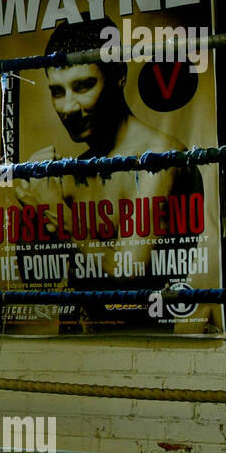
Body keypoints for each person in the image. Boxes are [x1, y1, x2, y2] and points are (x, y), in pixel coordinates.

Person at [12, 17, 203, 284]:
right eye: (57, 91)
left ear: (119, 77)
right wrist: (32, 208)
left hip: (142, 325)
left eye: (83, 85)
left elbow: (131, 274)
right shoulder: (74, 170)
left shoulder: (160, 159)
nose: (68, 107)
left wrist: (56, 211)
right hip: (76, 325)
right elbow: (35, 277)